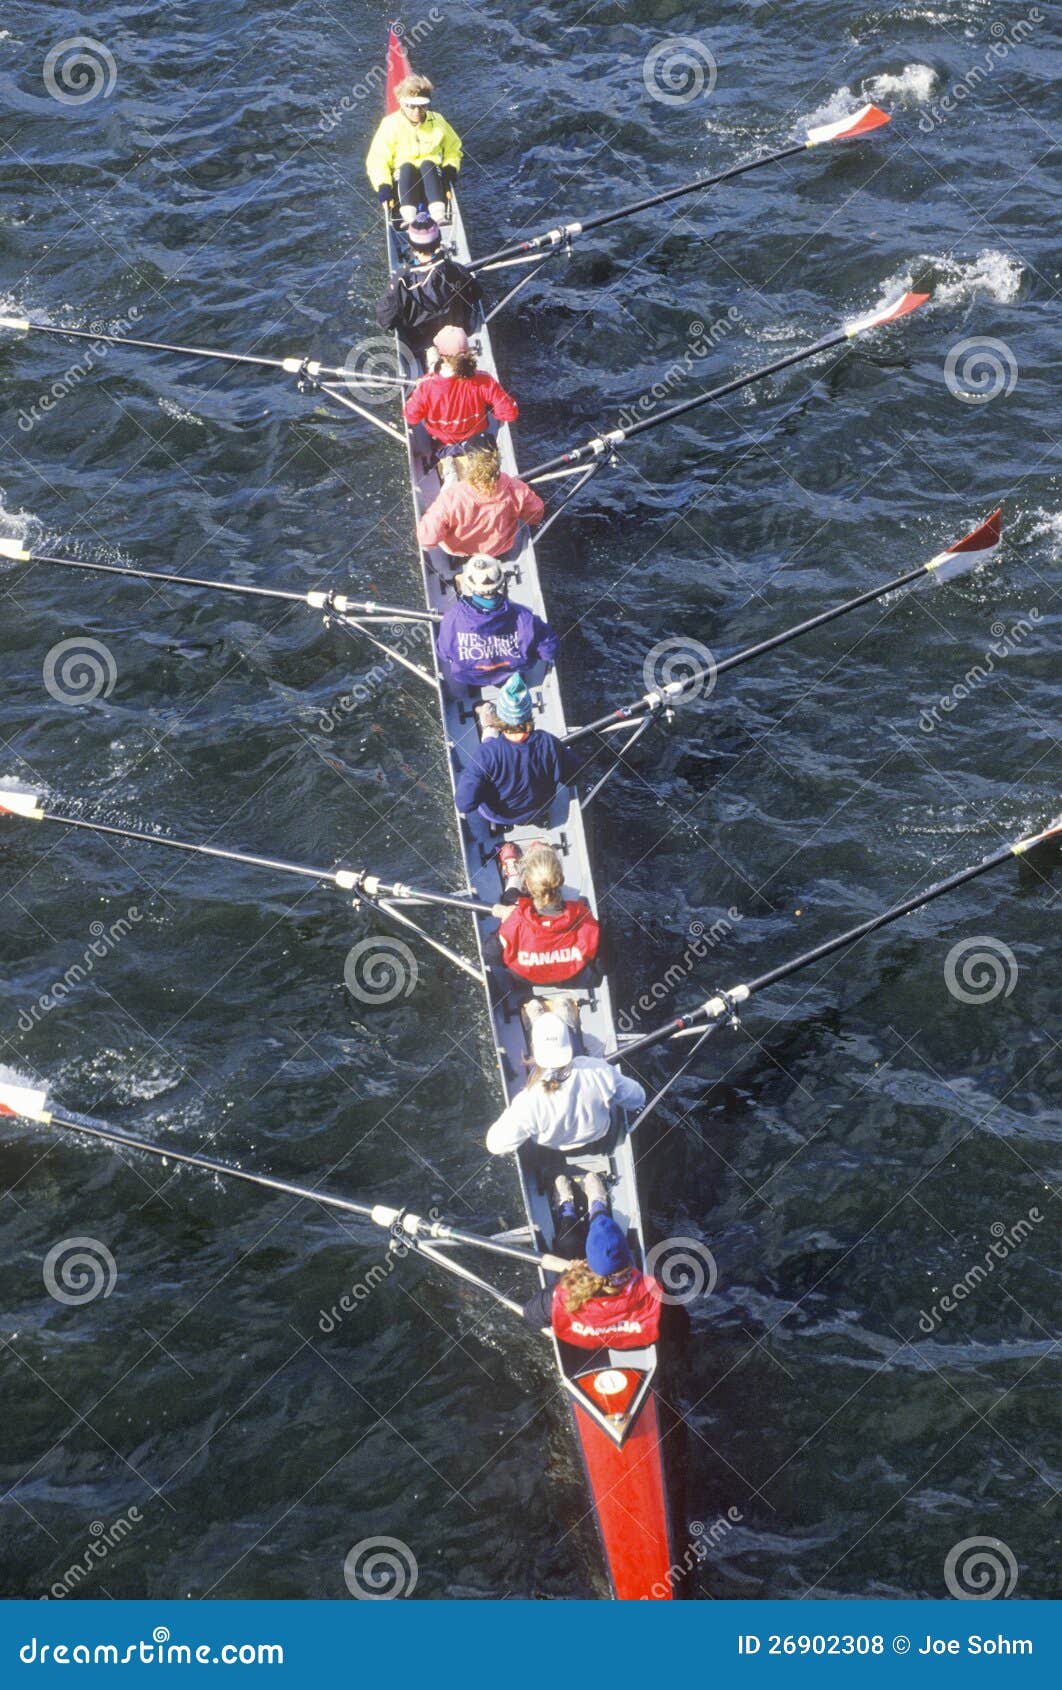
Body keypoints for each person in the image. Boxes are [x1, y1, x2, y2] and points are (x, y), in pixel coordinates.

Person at [521, 1177, 689, 1349]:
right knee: (590, 1230)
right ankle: (597, 1204)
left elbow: (530, 1315)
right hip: (629, 1343)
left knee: (569, 1242)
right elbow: (681, 1327)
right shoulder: (652, 1293)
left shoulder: (564, 1294)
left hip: (584, 1344)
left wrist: (567, 1276)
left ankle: (568, 1209)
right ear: (626, 1259)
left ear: (587, 1260)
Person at [485, 1012, 645, 1155]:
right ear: (569, 1045)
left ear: (533, 1048)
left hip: (553, 1150)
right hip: (599, 1140)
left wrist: (512, 1114)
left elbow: (495, 1146)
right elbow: (638, 1099)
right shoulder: (598, 1070)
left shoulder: (527, 1102)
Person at [455, 673, 583, 827]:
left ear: (500, 718)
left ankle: (487, 724)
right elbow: (574, 777)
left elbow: (464, 804)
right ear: (529, 714)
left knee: (488, 742)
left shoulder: (486, 752)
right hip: (540, 809)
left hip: (499, 816)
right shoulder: (549, 742)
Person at [404, 327, 518, 474]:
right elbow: (510, 414)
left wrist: (418, 391)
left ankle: (443, 463)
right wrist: (490, 408)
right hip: (475, 441)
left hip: (442, 443)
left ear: (442, 356)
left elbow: (410, 416)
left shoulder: (426, 385)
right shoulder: (485, 380)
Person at [437, 557, 559, 690]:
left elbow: (443, 653)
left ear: (468, 586)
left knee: (468, 673)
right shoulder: (525, 617)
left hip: (471, 676)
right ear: (502, 583)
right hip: (510, 673)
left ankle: (474, 690)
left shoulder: (451, 617)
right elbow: (549, 651)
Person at [492, 843, 604, 986]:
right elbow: (606, 967)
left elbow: (489, 955)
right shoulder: (588, 923)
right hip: (573, 979)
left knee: (511, 899)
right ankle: (540, 886)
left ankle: (514, 878)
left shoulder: (513, 923)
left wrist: (505, 925)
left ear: (527, 883)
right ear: (560, 880)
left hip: (525, 979)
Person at [417, 441, 544, 559]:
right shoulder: (519, 489)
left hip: (458, 550)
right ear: (497, 461)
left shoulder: (451, 496)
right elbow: (536, 515)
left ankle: (450, 472)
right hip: (498, 549)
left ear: (470, 464)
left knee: (448, 487)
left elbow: (426, 540)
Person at [375, 215, 481, 356]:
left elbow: (385, 320)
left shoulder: (400, 280)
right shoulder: (458, 270)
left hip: (419, 341)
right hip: (455, 336)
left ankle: (431, 355)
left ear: (411, 246)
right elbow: (476, 295)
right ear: (438, 242)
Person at [365, 73, 462, 225]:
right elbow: (377, 160)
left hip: (431, 173)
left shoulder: (438, 120)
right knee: (407, 167)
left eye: (422, 105)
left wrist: (450, 168)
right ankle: (409, 219)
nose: (417, 111)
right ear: (401, 103)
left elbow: (453, 149)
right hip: (403, 177)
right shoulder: (389, 124)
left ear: (427, 104)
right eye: (411, 106)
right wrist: (383, 186)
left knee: (428, 165)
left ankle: (439, 217)